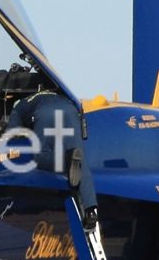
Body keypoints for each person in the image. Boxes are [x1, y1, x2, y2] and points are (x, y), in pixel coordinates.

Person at [7, 90, 99, 229]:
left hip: (45, 113)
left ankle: (66, 159)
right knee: (81, 161)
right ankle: (91, 210)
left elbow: (12, 134)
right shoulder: (56, 94)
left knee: (41, 156)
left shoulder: (20, 105)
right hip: (70, 110)